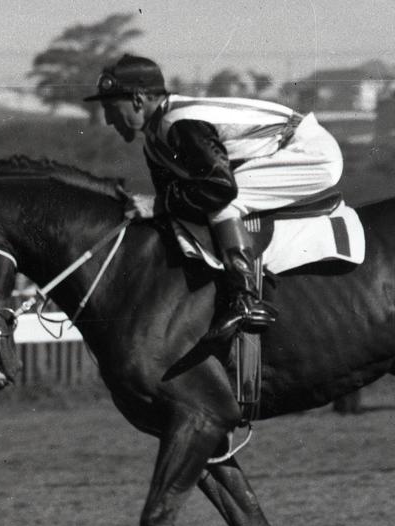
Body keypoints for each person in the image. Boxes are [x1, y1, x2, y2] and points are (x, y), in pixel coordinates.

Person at [85, 53, 344, 340]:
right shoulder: (154, 146)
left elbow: (220, 188)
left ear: (137, 99)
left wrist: (157, 204)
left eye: (110, 107)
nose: (108, 119)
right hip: (285, 151)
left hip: (310, 152)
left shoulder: (179, 123)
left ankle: (245, 299)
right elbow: (177, 208)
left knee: (224, 202)